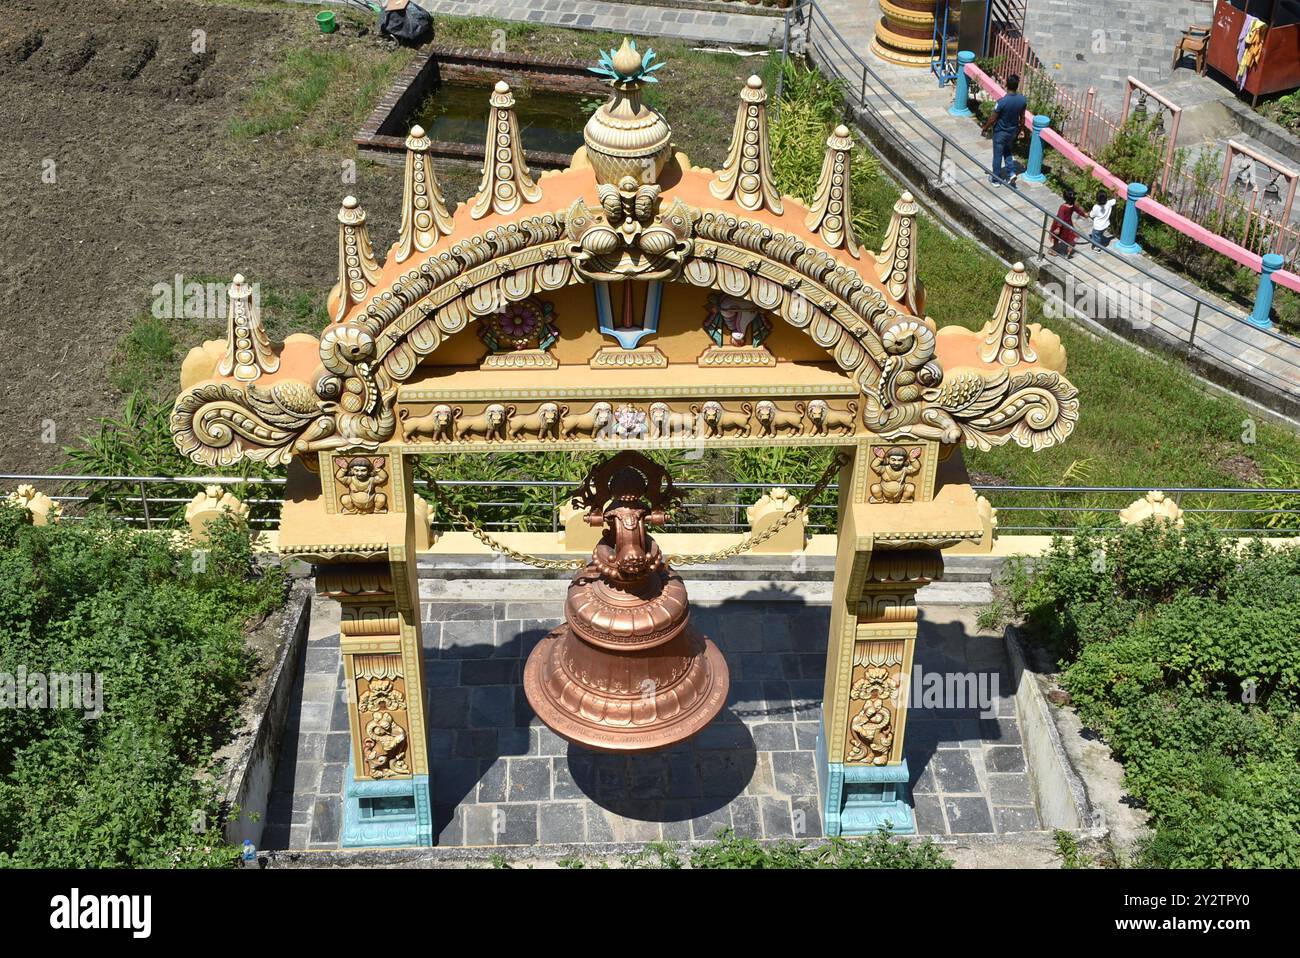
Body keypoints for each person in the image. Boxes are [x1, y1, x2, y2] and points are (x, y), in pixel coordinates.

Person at [981, 74, 1027, 187]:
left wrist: (985, 128)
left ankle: (996, 179)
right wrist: (1021, 130)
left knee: (997, 155)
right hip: (1012, 132)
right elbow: (1022, 117)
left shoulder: (1002, 102)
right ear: (1017, 86)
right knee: (1007, 151)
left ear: (1006, 85)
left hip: (1000, 133)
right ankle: (1011, 172)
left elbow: (993, 118)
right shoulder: (1022, 100)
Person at [1047, 187, 1087, 258]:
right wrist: (1084, 215)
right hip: (1063, 225)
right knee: (1069, 237)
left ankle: (1061, 249)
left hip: (1062, 225)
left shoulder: (1063, 207)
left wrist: (1084, 214)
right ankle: (1053, 250)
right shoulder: (1071, 206)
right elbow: (1062, 217)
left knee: (1061, 237)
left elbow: (1060, 217)